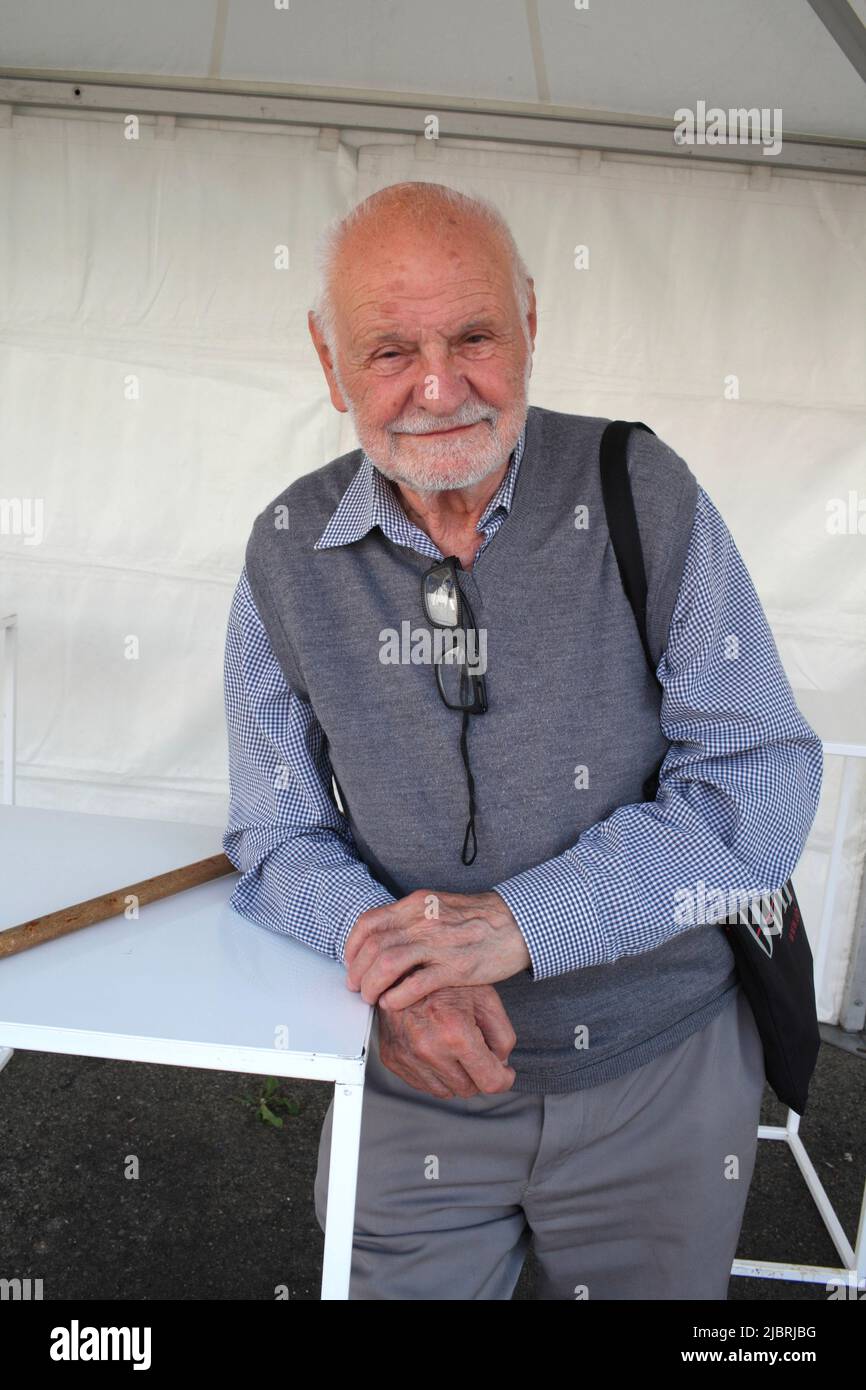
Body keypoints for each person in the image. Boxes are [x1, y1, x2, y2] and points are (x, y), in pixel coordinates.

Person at [221, 180, 823, 1299]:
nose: (438, 388)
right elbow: (275, 831)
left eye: (475, 336)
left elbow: (757, 779)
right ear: (327, 358)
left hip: (657, 1068)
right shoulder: (287, 549)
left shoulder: (642, 490)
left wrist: (515, 926)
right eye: (389, 349)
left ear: (532, 323)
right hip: (412, 1074)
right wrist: (400, 970)